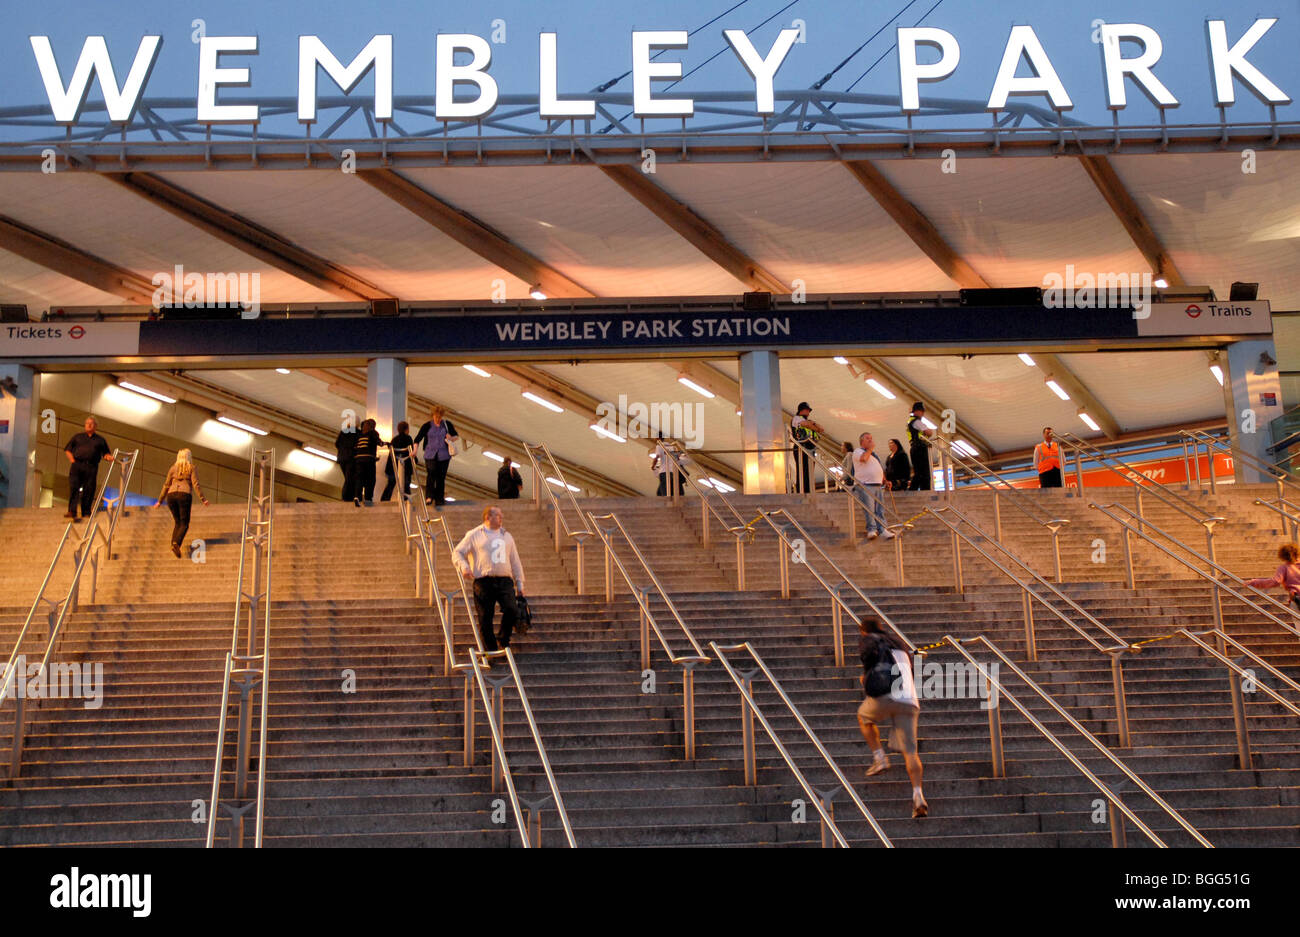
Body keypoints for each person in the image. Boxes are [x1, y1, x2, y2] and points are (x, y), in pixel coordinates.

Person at [856, 617, 927, 818]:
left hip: (885, 693)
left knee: (864, 718)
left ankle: (879, 758)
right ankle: (918, 795)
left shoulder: (869, 640)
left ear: (864, 631)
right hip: (909, 699)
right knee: (911, 752)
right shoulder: (898, 643)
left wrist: (865, 676)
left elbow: (868, 659)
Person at [453, 506, 526, 655]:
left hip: (504, 580)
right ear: (488, 517)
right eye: (498, 515)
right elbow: (457, 552)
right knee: (485, 617)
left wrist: (520, 583)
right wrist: (464, 567)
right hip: (483, 581)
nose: (502, 517)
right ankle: (490, 651)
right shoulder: (474, 534)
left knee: (512, 609)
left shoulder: (507, 536)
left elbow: (515, 560)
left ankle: (503, 639)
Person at [153, 448, 208, 558]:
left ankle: (174, 543)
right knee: (184, 523)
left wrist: (160, 501)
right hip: (184, 495)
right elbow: (195, 484)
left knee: (177, 522)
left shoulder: (173, 469)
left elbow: (166, 485)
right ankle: (176, 543)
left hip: (171, 496)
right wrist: (203, 499)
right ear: (189, 457)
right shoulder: (191, 468)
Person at [63, 416, 115, 520]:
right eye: (87, 423)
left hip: (91, 466)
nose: (89, 425)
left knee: (89, 488)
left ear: (95, 426)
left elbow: (105, 453)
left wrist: (108, 457)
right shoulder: (77, 437)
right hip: (77, 464)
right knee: (74, 487)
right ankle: (72, 511)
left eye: (91, 423)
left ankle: (86, 511)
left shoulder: (100, 440)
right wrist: (72, 460)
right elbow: (67, 449)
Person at [413, 406, 459, 508]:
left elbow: (456, 436)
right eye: (436, 417)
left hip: (444, 455)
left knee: (441, 477)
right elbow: (417, 439)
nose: (437, 419)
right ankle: (429, 497)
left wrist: (451, 438)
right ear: (432, 415)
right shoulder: (427, 426)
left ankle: (439, 498)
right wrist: (415, 451)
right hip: (430, 454)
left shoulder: (446, 425)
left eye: (439, 417)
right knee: (431, 473)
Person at [853, 433, 894, 541]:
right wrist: (870, 449)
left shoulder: (873, 455)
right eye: (868, 438)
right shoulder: (858, 451)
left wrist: (885, 480)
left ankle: (882, 529)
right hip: (865, 484)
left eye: (871, 438)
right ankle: (871, 529)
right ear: (862, 441)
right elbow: (864, 459)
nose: (870, 440)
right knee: (869, 508)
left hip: (877, 484)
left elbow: (878, 468)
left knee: (879, 509)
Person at [1245, 543, 1300, 608]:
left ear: (1282, 555)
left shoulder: (1284, 567)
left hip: (1297, 598)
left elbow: (1275, 581)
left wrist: (1253, 582)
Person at [790, 402, 824, 494]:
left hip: (810, 449)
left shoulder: (810, 421)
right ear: (803, 410)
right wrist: (813, 425)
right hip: (801, 448)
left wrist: (813, 424)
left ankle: (808, 491)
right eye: (808, 410)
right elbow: (806, 424)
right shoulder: (796, 418)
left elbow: (822, 429)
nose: (809, 413)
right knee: (802, 471)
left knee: (809, 472)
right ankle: (802, 491)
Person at [348, 419, 382, 506]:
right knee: (370, 480)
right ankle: (368, 498)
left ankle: (357, 497)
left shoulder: (359, 434)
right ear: (372, 426)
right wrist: (385, 443)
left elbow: (355, 446)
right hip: (369, 459)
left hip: (359, 460)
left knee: (359, 479)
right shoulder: (373, 433)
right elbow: (378, 442)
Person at [381, 420, 416, 502]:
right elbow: (411, 451)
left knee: (391, 484)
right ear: (406, 429)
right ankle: (406, 500)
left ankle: (384, 499)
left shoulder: (394, 439)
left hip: (393, 466)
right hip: (405, 466)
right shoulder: (408, 438)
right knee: (406, 485)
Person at [905, 402, 933, 491]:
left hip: (914, 447)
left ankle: (913, 489)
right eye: (922, 411)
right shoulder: (916, 422)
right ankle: (924, 490)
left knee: (918, 472)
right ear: (917, 411)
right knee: (924, 472)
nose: (923, 414)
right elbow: (929, 432)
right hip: (919, 448)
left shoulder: (910, 421)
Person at [335, 425, 357, 502]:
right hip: (350, 458)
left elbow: (336, 444)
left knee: (348, 478)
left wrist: (342, 450)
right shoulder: (357, 432)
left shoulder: (343, 431)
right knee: (349, 478)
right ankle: (347, 497)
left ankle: (346, 496)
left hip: (341, 459)